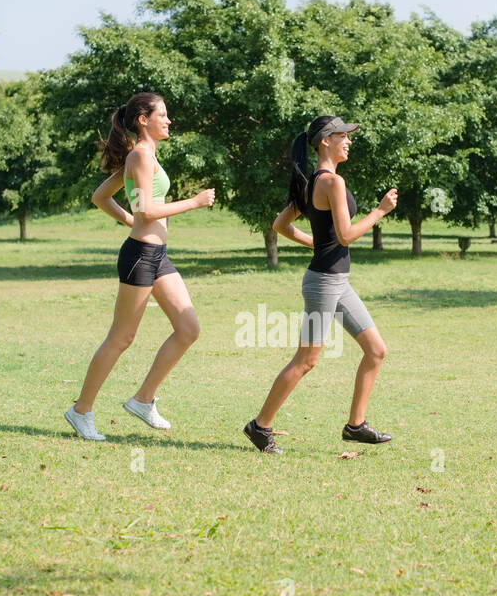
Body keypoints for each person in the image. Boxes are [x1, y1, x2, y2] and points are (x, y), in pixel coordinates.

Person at [64, 92, 215, 441]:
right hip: (141, 257)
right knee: (122, 337)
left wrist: (129, 218)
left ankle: (143, 399)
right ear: (143, 119)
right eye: (162, 114)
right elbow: (146, 211)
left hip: (157, 256)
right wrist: (192, 202)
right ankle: (81, 410)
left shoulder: (144, 156)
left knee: (188, 328)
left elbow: (101, 197)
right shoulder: (141, 156)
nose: (169, 120)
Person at [243, 115, 397, 454]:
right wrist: (379, 212)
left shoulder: (315, 181)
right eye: (343, 135)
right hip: (324, 284)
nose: (349, 141)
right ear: (325, 141)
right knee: (306, 360)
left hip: (337, 281)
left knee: (376, 350)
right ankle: (260, 426)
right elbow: (345, 235)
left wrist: (316, 243)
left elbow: (281, 225)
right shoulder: (331, 182)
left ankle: (355, 426)